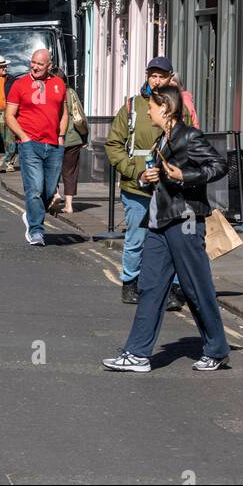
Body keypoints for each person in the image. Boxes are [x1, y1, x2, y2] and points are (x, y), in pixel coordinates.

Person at [103, 85, 230, 374]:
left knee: (196, 288)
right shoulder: (163, 139)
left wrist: (185, 175)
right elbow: (161, 177)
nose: (147, 110)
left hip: (185, 221)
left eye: (151, 106)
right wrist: (149, 177)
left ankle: (217, 349)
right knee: (150, 287)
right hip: (160, 220)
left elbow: (219, 165)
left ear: (166, 108)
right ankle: (137, 354)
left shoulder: (189, 137)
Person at [105, 56, 192, 306]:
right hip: (137, 187)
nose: (155, 81)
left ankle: (175, 288)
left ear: (170, 78)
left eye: (161, 76)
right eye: (151, 75)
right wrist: (135, 171)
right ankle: (130, 282)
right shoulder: (132, 107)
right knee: (137, 237)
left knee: (174, 238)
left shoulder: (180, 108)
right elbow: (113, 145)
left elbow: (191, 143)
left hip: (171, 188)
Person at [5, 48, 68, 246]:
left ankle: (32, 215)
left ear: (49, 65)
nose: (35, 67)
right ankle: (36, 230)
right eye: (33, 62)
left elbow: (64, 113)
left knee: (49, 191)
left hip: (54, 145)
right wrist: (23, 137)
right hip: (30, 144)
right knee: (34, 189)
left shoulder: (58, 84)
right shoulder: (19, 84)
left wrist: (61, 137)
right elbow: (9, 115)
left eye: (40, 64)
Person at [49, 69, 88, 215]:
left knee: (51, 169)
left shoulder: (50, 92)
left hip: (54, 137)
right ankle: (69, 205)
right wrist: (85, 137)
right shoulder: (71, 93)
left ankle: (55, 193)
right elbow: (80, 115)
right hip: (74, 138)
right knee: (70, 172)